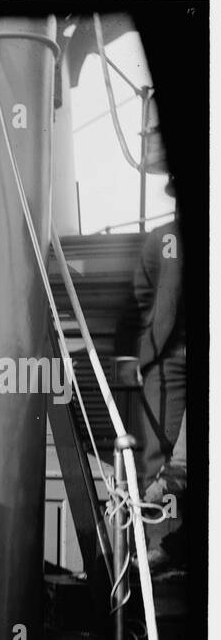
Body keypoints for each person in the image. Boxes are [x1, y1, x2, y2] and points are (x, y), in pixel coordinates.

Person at [133, 193, 187, 573]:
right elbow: (148, 297)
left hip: (174, 359)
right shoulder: (167, 238)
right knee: (165, 456)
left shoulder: (167, 238)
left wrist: (144, 355)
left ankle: (167, 548)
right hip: (173, 357)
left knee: (168, 459)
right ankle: (164, 548)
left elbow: (151, 300)